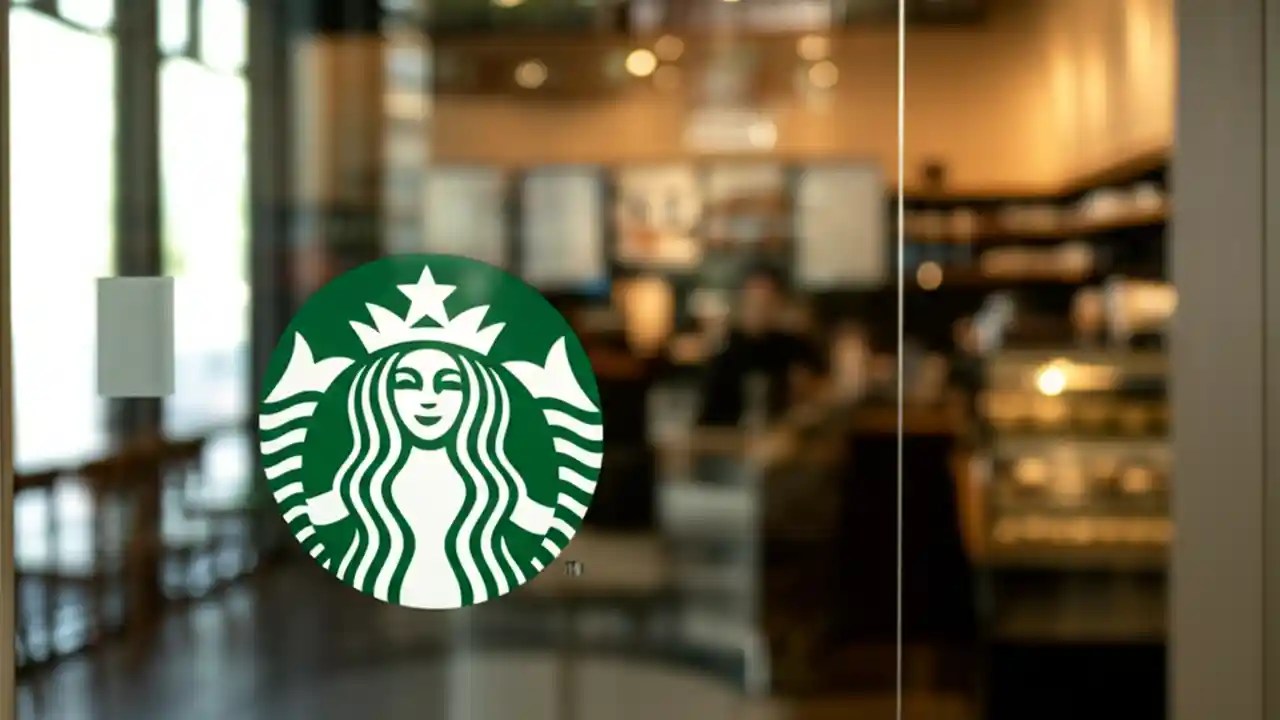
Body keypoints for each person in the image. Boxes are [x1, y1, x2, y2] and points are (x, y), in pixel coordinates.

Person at [696, 266, 825, 427]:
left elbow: (818, 392)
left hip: (783, 437)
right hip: (731, 440)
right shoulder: (727, 351)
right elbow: (707, 419)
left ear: (780, 304)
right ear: (742, 303)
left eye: (767, 301)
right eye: (753, 300)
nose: (759, 308)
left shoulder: (793, 346)